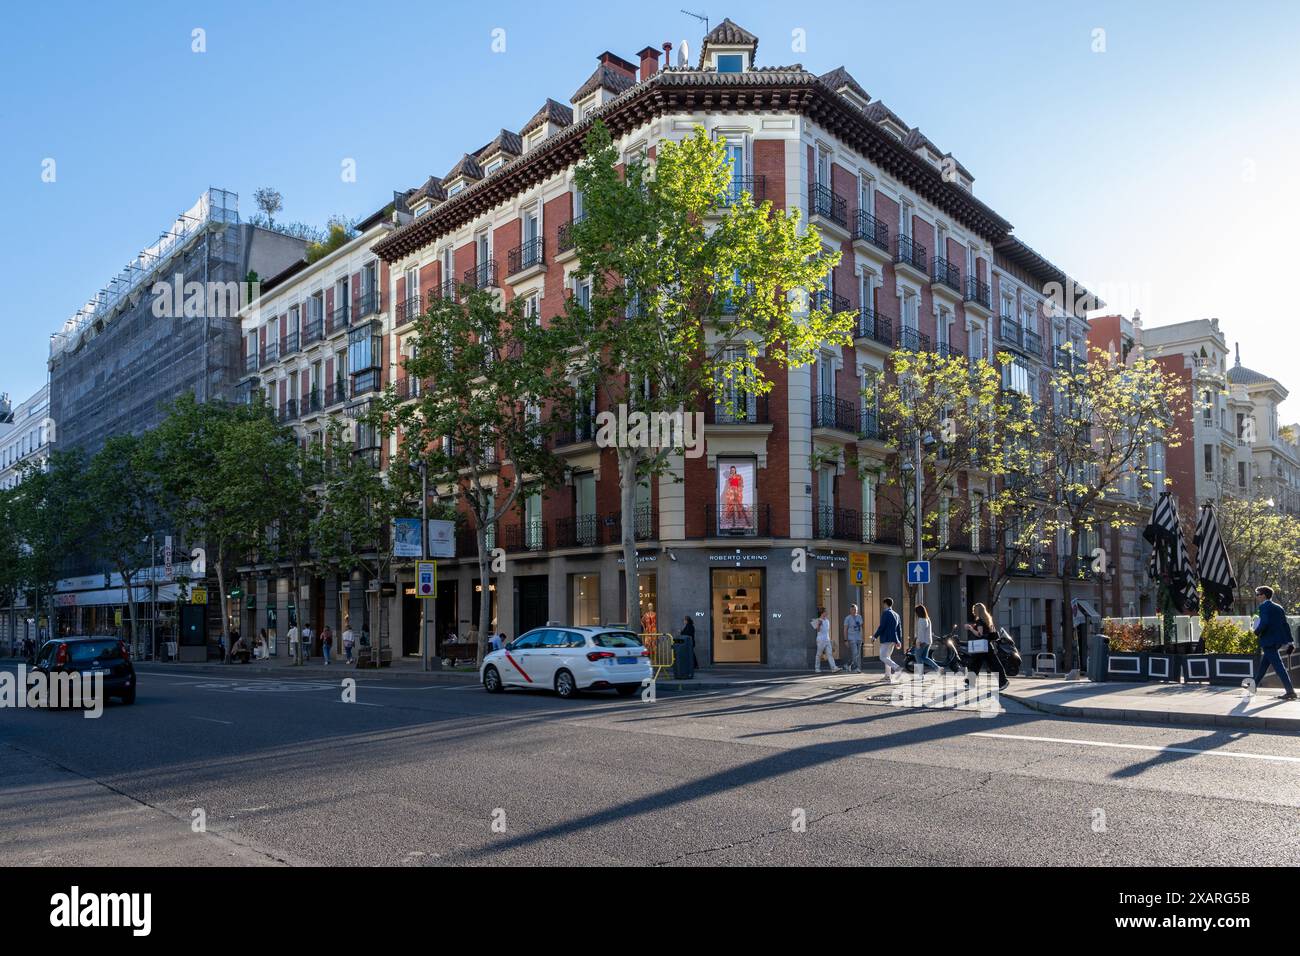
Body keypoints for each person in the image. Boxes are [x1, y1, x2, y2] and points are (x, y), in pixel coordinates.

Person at [1252, 586, 1297, 700]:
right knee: (1263, 665)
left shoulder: (1264, 607)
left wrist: (1256, 632)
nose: (1256, 597)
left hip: (1268, 641)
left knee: (1279, 667)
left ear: (1264, 595)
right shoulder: (1279, 607)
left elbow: (1265, 623)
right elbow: (1285, 625)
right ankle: (1253, 686)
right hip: (1277, 641)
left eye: (1258, 594)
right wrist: (1290, 641)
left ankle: (1290, 691)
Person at [966, 602, 1008, 691]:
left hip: (982, 647)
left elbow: (979, 634)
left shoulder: (980, 621)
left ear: (977, 611)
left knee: (987, 664)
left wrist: (971, 629)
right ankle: (970, 683)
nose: (973, 611)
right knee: (979, 664)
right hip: (987, 646)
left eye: (974, 610)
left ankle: (1003, 682)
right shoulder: (987, 620)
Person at [874, 598, 903, 681]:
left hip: (886, 638)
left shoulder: (886, 613)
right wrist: (898, 641)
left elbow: (882, 627)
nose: (883, 606)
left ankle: (897, 667)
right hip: (894, 639)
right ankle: (888, 676)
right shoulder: (896, 614)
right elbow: (899, 629)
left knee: (882, 657)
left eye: (883, 604)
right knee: (887, 657)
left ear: (885, 604)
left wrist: (875, 636)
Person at [810, 607, 839, 673]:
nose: (827, 613)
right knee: (819, 654)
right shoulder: (818, 620)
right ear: (822, 613)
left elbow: (826, 631)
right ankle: (817, 668)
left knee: (829, 654)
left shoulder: (827, 621)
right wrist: (819, 624)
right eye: (826, 612)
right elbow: (818, 630)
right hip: (820, 640)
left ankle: (833, 667)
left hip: (827, 639)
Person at [913, 604, 939, 675]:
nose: (915, 614)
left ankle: (920, 675)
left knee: (918, 657)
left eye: (916, 612)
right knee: (924, 657)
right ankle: (937, 668)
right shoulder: (927, 619)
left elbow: (921, 633)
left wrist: (918, 642)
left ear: (918, 612)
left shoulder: (921, 620)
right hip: (928, 641)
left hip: (922, 642)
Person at [842, 604, 864, 673]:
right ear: (850, 610)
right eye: (853, 609)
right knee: (855, 653)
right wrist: (845, 640)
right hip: (851, 638)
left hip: (858, 638)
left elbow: (861, 628)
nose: (854, 611)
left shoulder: (859, 617)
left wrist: (862, 637)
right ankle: (856, 667)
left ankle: (847, 664)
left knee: (857, 654)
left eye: (856, 610)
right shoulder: (847, 618)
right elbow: (845, 629)